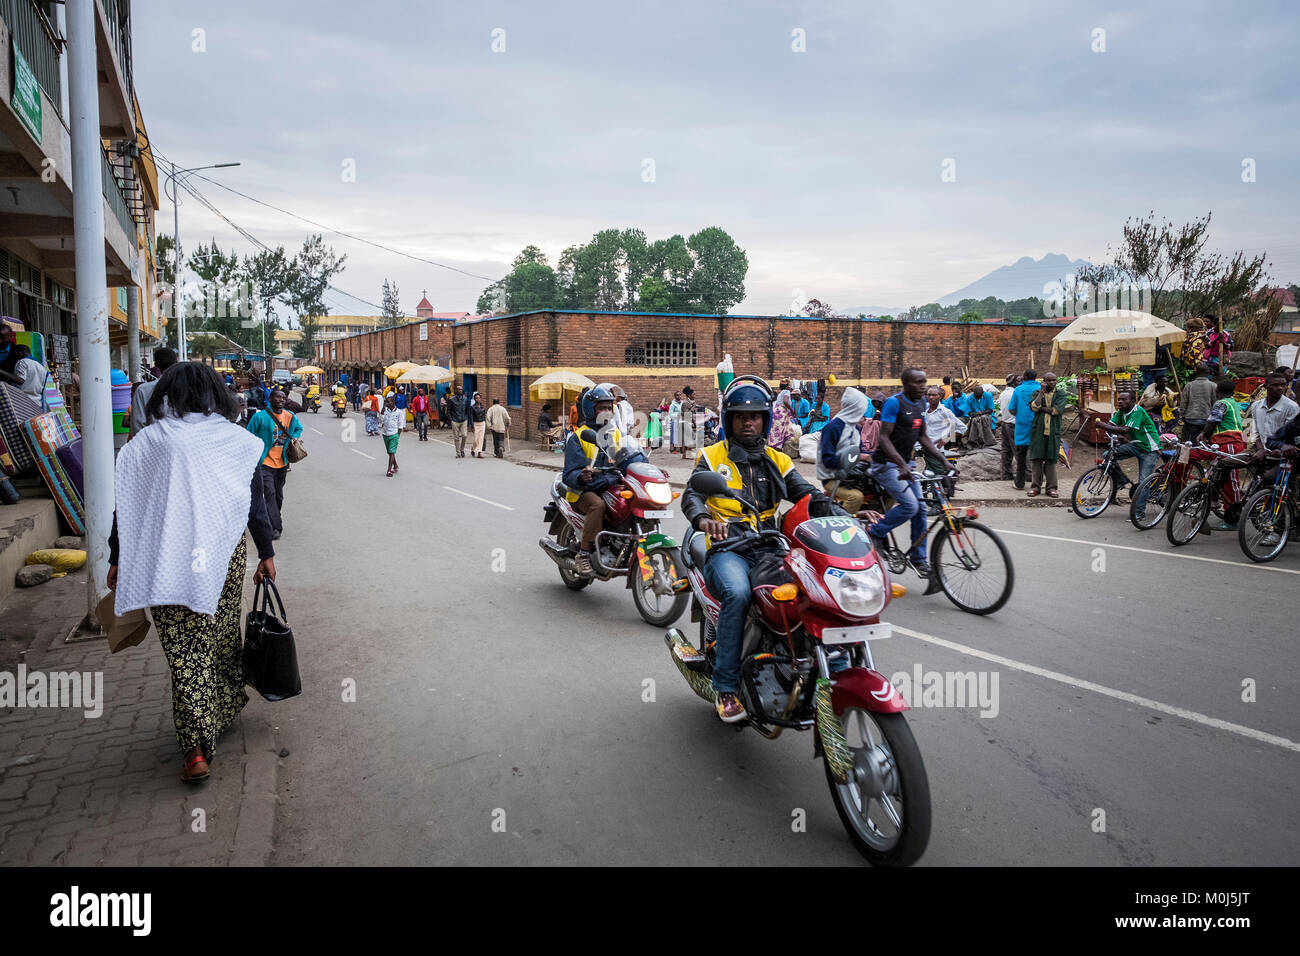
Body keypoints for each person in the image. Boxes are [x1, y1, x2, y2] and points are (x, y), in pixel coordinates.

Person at [107, 362, 274, 782]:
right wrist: (267, 554)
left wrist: (116, 557)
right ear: (216, 394)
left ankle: (196, 747)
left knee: (185, 651)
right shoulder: (236, 439)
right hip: (222, 556)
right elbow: (253, 503)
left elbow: (127, 504)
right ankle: (210, 720)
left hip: (164, 559)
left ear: (167, 394)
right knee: (216, 637)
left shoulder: (148, 442)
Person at [682, 377, 848, 723]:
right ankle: (725, 687)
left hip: (770, 548)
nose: (748, 422)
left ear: (765, 419)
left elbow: (808, 495)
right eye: (741, 417)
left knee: (813, 591)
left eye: (755, 416)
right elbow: (692, 495)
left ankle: (813, 667)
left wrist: (848, 517)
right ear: (729, 420)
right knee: (739, 593)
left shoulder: (777, 460)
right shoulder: (712, 458)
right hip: (727, 548)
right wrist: (702, 521)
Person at [867, 369, 946, 577]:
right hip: (885, 464)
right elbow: (883, 437)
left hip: (906, 464)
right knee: (910, 505)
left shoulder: (921, 404)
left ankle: (918, 559)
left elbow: (923, 437)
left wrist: (943, 460)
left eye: (924, 382)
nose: (923, 386)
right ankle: (875, 531)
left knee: (920, 509)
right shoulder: (894, 403)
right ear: (905, 384)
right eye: (918, 383)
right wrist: (901, 463)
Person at [562, 385, 624, 576]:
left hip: (607, 484)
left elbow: (625, 457)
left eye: (608, 408)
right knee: (597, 506)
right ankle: (584, 554)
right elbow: (569, 473)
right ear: (591, 410)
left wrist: (650, 468)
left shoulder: (614, 433)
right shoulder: (579, 436)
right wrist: (581, 475)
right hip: (583, 490)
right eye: (601, 408)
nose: (606, 412)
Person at [246, 386, 302, 540]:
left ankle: (274, 516)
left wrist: (295, 438)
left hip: (282, 462)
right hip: (264, 462)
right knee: (269, 493)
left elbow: (298, 428)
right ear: (270, 399)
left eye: (283, 398)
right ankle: (275, 526)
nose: (281, 400)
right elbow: (249, 435)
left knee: (278, 495)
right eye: (278, 397)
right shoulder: (260, 417)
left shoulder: (290, 416)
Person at [1097, 389, 1162, 520]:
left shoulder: (1137, 411)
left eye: (1124, 399)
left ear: (1132, 401)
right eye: (1119, 399)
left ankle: (1139, 514)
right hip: (1136, 445)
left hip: (1150, 449)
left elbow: (1125, 429)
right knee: (1107, 455)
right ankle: (1122, 481)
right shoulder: (1121, 412)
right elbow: (1112, 426)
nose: (1120, 401)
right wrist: (1110, 434)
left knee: (1144, 482)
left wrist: (1102, 425)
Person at [817, 386, 872, 511]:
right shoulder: (832, 428)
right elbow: (827, 459)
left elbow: (861, 451)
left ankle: (874, 527)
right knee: (855, 497)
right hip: (832, 478)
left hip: (852, 478)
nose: (863, 414)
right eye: (860, 409)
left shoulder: (855, 429)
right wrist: (857, 458)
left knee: (884, 492)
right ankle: (842, 526)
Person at [1027, 372, 1069, 497]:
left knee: (1051, 459)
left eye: (1054, 380)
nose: (1051, 383)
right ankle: (1035, 487)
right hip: (1038, 431)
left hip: (1053, 432)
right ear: (1043, 381)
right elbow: (1034, 407)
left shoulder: (1060, 393)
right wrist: (1041, 392)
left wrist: (1041, 408)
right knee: (1036, 459)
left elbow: (1056, 411)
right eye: (1048, 380)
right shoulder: (1036, 393)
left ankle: (1051, 488)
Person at [922, 385, 965, 494]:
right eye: (929, 395)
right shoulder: (924, 409)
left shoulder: (945, 412)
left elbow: (962, 427)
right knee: (928, 474)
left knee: (937, 476)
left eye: (934, 395)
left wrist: (946, 439)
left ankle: (945, 494)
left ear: (940, 396)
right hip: (923, 447)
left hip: (935, 449)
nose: (931, 397)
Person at [128, 347, 178, 437]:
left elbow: (138, 424)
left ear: (156, 364)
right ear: (176, 363)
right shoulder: (187, 389)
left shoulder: (143, 390)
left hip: (153, 444)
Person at [1007, 370, 1042, 489]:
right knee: (1039, 457)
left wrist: (1021, 413)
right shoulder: (1041, 389)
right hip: (1038, 427)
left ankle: (1019, 483)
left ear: (1024, 377)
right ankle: (1039, 482)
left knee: (1021, 457)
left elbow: (1011, 409)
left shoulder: (1018, 390)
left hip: (1022, 427)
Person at [1247, 373, 1297, 452]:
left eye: (1283, 385)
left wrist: (1279, 450)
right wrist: (1260, 449)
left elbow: (1290, 436)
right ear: (1266, 386)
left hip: (1282, 451)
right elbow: (1255, 432)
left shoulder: (1292, 407)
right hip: (1259, 448)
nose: (1280, 388)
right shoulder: (1256, 406)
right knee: (1227, 462)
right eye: (1275, 385)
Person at [0, 326, 49, 400]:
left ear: (10, 337)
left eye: (2, 338)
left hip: (18, 399)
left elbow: (20, 380)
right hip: (36, 400)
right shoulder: (41, 367)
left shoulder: (21, 361)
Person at [1179, 364, 1217, 442]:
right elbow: (1215, 403)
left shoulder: (1189, 385)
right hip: (1207, 419)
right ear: (1208, 373)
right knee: (1206, 442)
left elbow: (1183, 403)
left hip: (1191, 419)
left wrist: (1182, 415)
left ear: (1196, 372)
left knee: (1190, 442)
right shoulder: (1213, 386)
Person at [997, 374, 1019, 480]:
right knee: (1017, 450)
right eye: (1018, 381)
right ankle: (1022, 475)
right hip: (1013, 424)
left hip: (1004, 423)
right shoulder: (1014, 393)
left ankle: (1006, 474)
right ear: (1013, 382)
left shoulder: (1003, 393)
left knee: (1006, 450)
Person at [964, 384, 997, 448]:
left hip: (988, 415)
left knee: (983, 418)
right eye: (976, 396)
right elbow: (969, 412)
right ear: (973, 394)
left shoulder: (988, 396)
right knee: (975, 420)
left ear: (983, 393)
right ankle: (974, 441)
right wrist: (974, 414)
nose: (977, 398)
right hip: (975, 416)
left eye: (979, 396)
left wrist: (981, 413)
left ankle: (985, 440)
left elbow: (990, 410)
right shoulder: (970, 399)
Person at [445, 384, 470, 457]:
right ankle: (458, 452)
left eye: (461, 389)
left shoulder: (465, 399)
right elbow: (448, 411)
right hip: (455, 420)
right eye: (458, 389)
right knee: (456, 438)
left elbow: (467, 409)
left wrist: (466, 417)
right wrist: (451, 419)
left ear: (462, 391)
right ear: (456, 390)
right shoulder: (451, 400)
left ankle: (462, 449)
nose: (460, 390)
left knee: (464, 435)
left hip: (463, 420)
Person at [381, 393, 403, 476]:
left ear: (393, 403)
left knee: (392, 451)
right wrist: (382, 413)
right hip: (385, 433)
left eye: (388, 402)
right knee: (390, 452)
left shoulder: (399, 412)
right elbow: (380, 422)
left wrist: (398, 435)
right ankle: (396, 465)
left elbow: (400, 424)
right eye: (386, 402)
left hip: (394, 434)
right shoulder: (385, 411)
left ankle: (389, 470)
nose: (387, 404)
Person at [678, 385, 697, 459]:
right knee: (689, 438)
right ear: (689, 395)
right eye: (693, 394)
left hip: (688, 422)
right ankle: (686, 455)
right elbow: (686, 414)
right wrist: (693, 407)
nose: (695, 396)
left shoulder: (691, 402)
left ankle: (685, 455)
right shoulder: (685, 403)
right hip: (684, 422)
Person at [469, 391, 488, 458]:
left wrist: (486, 424)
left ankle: (479, 453)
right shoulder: (472, 407)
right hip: (475, 424)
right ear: (474, 399)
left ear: (480, 399)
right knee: (475, 439)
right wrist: (471, 426)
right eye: (476, 398)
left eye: (479, 398)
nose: (478, 399)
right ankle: (473, 449)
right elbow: (471, 417)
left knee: (481, 438)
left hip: (482, 423)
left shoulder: (483, 407)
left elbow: (484, 416)